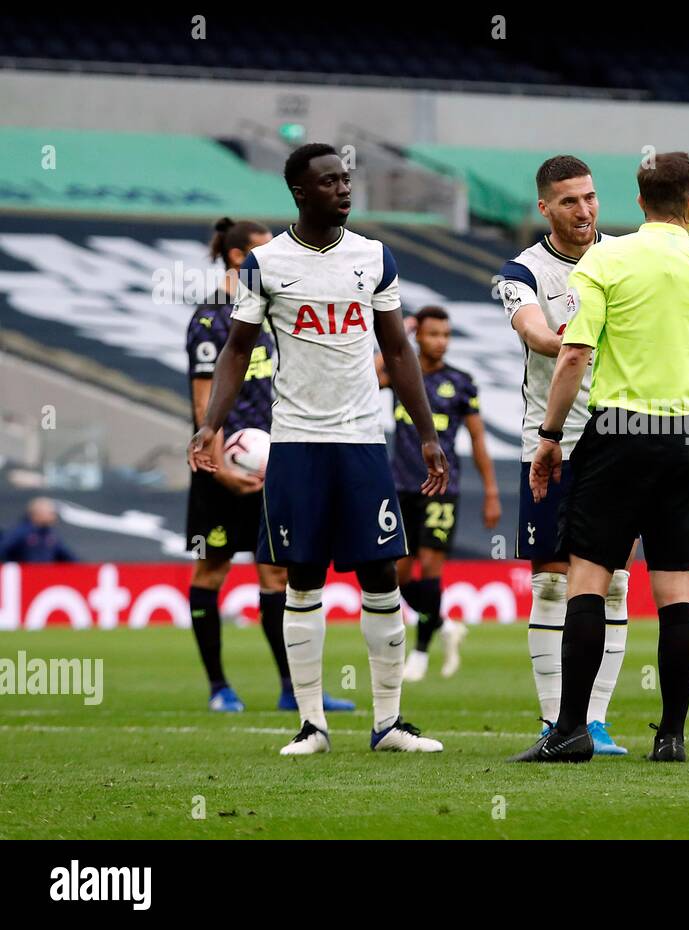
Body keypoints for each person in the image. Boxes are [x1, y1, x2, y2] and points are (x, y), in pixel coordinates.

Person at [508, 151, 689, 763]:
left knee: (589, 582)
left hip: (617, 437)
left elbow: (573, 355)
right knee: (675, 593)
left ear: (637, 201)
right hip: (684, 440)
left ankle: (571, 728)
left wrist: (550, 437)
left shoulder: (606, 258)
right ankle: (672, 737)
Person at [188, 142, 449, 755]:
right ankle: (311, 725)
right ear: (300, 193)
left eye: (346, 178)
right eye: (330, 181)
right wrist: (211, 425)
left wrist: (427, 433)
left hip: (361, 438)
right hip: (298, 442)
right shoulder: (266, 264)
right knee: (301, 578)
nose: (344, 188)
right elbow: (233, 351)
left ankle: (388, 723)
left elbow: (399, 350)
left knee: (380, 575)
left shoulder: (374, 257)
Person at [185, 218, 355, 715]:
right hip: (220, 466)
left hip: (272, 462)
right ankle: (219, 687)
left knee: (277, 573)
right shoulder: (211, 319)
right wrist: (222, 467)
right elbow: (203, 404)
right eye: (264, 251)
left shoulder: (267, 311)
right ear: (240, 258)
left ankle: (293, 689)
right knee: (212, 569)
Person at [496, 154, 634, 755]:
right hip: (549, 441)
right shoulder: (521, 270)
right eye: (571, 201)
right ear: (544, 208)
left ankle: (594, 720)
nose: (585, 210)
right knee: (552, 582)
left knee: (616, 582)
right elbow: (535, 333)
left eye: (591, 198)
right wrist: (575, 341)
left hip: (621, 439)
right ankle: (556, 719)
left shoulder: (625, 259)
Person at [375, 305, 499, 681]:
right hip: (401, 487)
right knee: (396, 573)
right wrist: (402, 330)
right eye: (432, 334)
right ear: (418, 336)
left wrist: (491, 490)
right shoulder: (400, 373)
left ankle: (421, 652)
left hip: (443, 488)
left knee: (430, 566)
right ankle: (445, 623)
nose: (440, 342)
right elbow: (369, 374)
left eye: (445, 335)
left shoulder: (460, 382)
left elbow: (477, 438)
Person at [0, 498, 75, 563]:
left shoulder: (50, 535)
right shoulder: (20, 532)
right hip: (25, 575)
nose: (54, 516)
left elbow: (68, 557)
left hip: (45, 576)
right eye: (50, 513)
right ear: (36, 513)